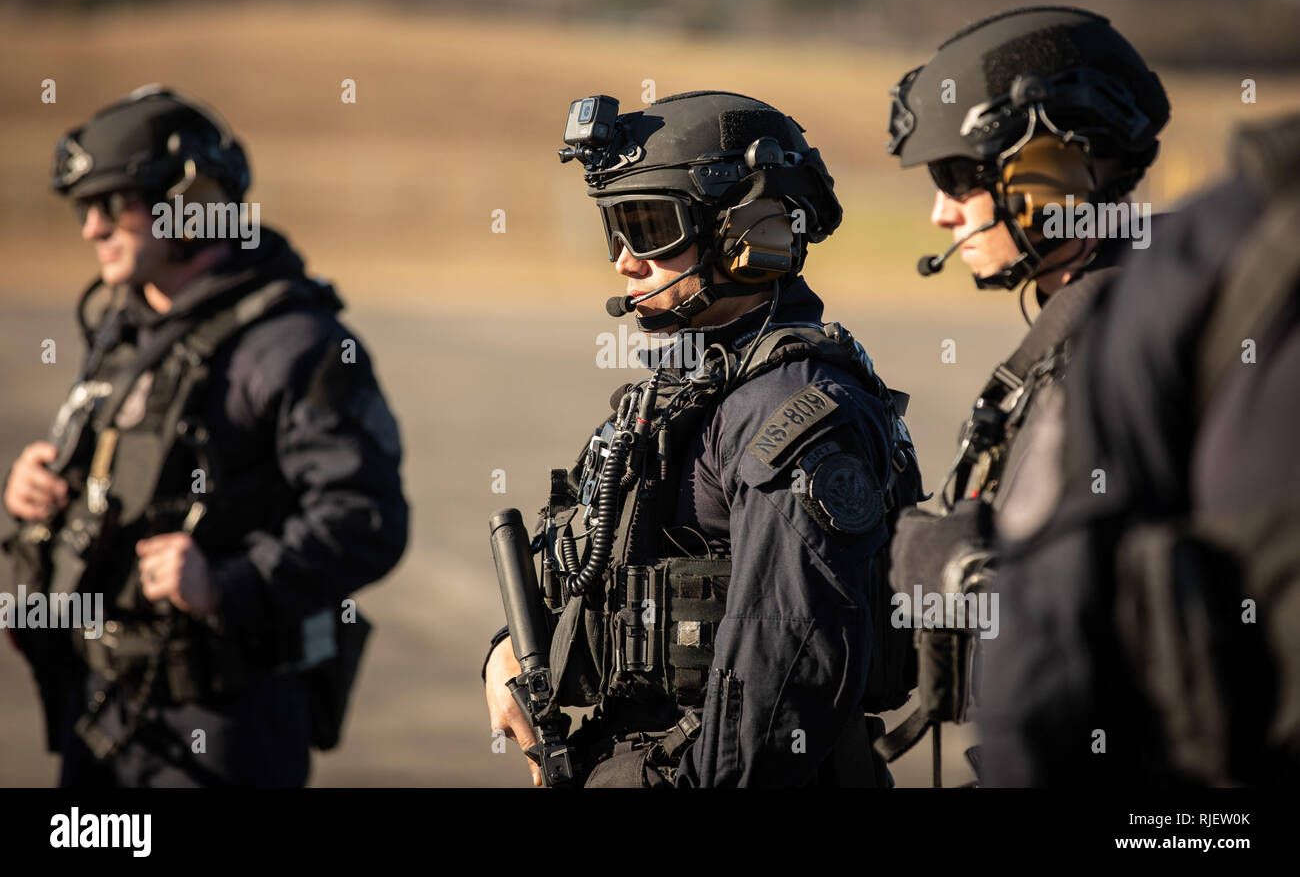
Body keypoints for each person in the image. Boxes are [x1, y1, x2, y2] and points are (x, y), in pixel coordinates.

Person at [482, 90, 924, 787]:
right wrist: (509, 648)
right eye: (616, 230)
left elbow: (783, 685)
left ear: (749, 236)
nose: (625, 261)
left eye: (649, 227)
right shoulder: (692, 387)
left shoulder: (794, 409)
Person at [2, 85, 408, 786]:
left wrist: (228, 583)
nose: (91, 229)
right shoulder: (126, 326)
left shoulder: (294, 344)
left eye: (113, 204)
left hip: (222, 725)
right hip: (100, 714)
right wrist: (37, 490)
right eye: (82, 208)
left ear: (193, 202)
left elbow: (368, 519)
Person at [875, 6, 1170, 776]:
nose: (940, 213)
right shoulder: (1096, 319)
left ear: (1056, 169)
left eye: (956, 178)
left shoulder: (1132, 346)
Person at [979, 113, 1300, 786]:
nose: (941, 214)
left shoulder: (1202, 264)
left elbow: (1052, 656)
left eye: (958, 180)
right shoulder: (1206, 262)